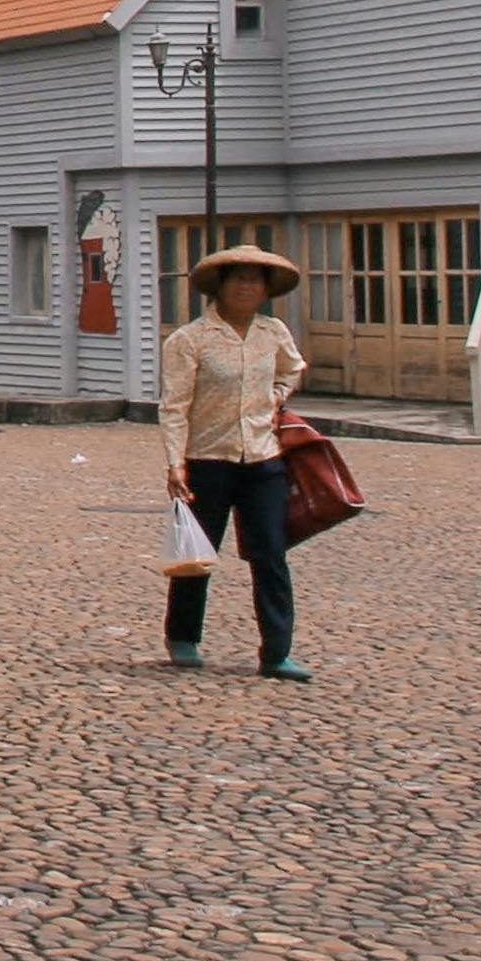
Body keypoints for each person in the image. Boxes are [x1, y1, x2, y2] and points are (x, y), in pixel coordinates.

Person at [159, 241, 316, 680]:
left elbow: (293, 368)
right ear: (220, 287)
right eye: (239, 279)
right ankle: (183, 635)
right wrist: (175, 463)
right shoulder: (190, 340)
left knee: (270, 554)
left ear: (266, 289)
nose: (247, 287)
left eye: (255, 280)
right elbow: (174, 406)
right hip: (207, 459)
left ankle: (277, 651)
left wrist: (278, 395)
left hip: (263, 458)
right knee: (198, 554)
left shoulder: (273, 332)